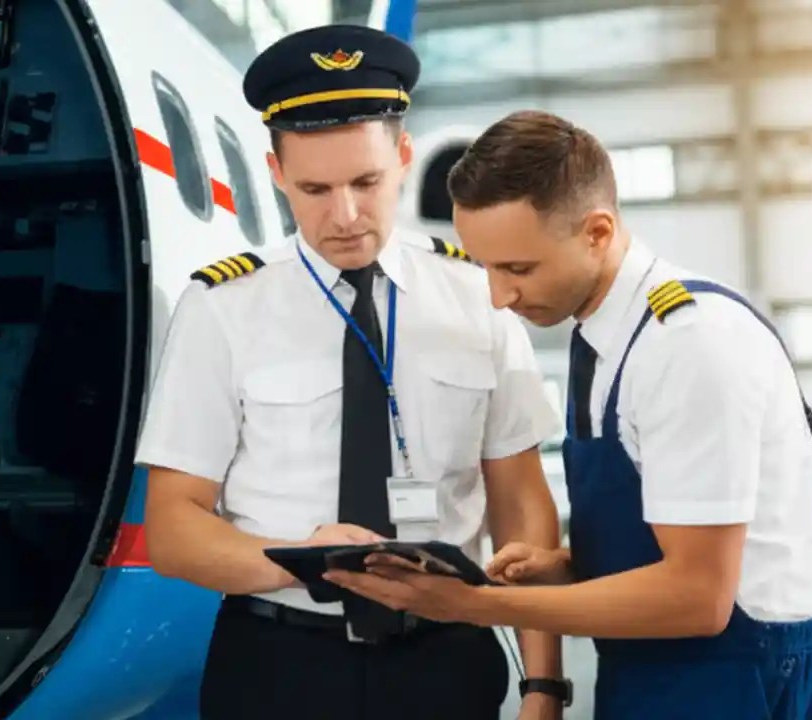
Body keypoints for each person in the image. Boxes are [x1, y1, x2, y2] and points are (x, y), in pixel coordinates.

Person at [325, 109, 812, 719]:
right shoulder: (603, 335)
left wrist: (471, 605)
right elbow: (676, 537)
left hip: (732, 678)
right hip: (652, 669)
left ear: (597, 232)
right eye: (485, 268)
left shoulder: (688, 345)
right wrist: (570, 566)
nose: (499, 297)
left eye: (518, 269)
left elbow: (699, 597)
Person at [134, 28, 571, 720]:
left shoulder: (475, 295)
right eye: (314, 189)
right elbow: (174, 527)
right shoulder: (222, 309)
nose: (343, 216)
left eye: (366, 183)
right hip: (278, 665)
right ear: (277, 173)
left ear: (403, 157)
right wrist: (299, 561)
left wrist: (544, 685)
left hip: (448, 658)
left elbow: (520, 500)